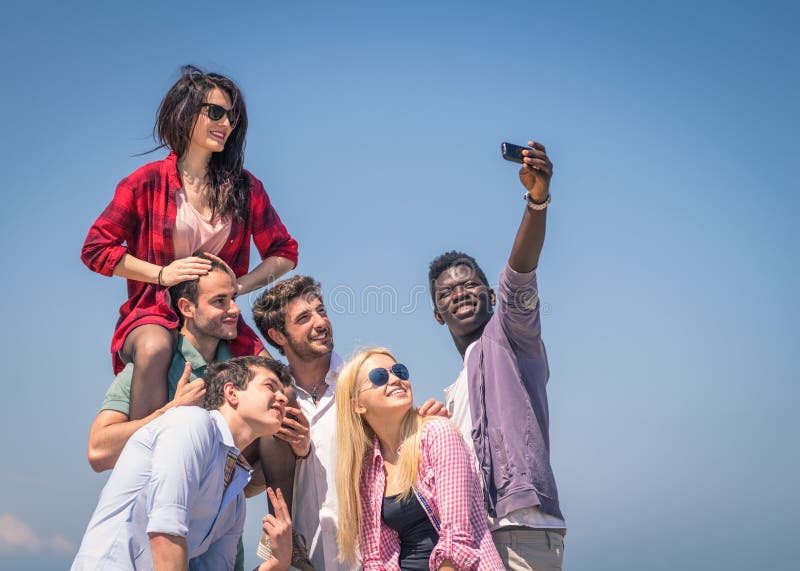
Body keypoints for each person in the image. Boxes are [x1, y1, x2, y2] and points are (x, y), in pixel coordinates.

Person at [81, 64, 298, 424]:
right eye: (215, 112)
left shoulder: (246, 188)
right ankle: (146, 454)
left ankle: (266, 480)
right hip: (154, 311)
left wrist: (236, 288)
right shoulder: (145, 181)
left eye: (232, 116)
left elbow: (284, 253)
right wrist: (162, 274)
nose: (226, 123)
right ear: (185, 113)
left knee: (277, 384)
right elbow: (95, 248)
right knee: (154, 348)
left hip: (218, 317)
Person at [428, 140, 566, 570]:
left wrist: (536, 202)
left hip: (523, 530)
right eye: (447, 292)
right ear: (437, 313)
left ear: (489, 295)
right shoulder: (455, 389)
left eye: (468, 285)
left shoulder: (510, 336)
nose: (459, 294)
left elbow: (520, 273)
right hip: (477, 535)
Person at [252, 275, 447, 570]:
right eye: (304, 318)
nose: (320, 323)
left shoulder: (367, 385)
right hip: (305, 563)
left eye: (322, 311)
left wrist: (426, 422)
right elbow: (251, 487)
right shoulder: (271, 402)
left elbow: (405, 444)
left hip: (375, 560)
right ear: (278, 336)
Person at [72, 356, 295, 570]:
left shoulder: (236, 494)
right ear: (232, 392)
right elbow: (165, 534)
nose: (283, 398)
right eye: (270, 386)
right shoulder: (190, 423)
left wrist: (275, 564)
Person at [335, 348, 504, 570]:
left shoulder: (437, 434)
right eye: (379, 377)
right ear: (358, 404)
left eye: (400, 371)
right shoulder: (368, 470)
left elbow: (457, 540)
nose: (396, 380)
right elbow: (375, 558)